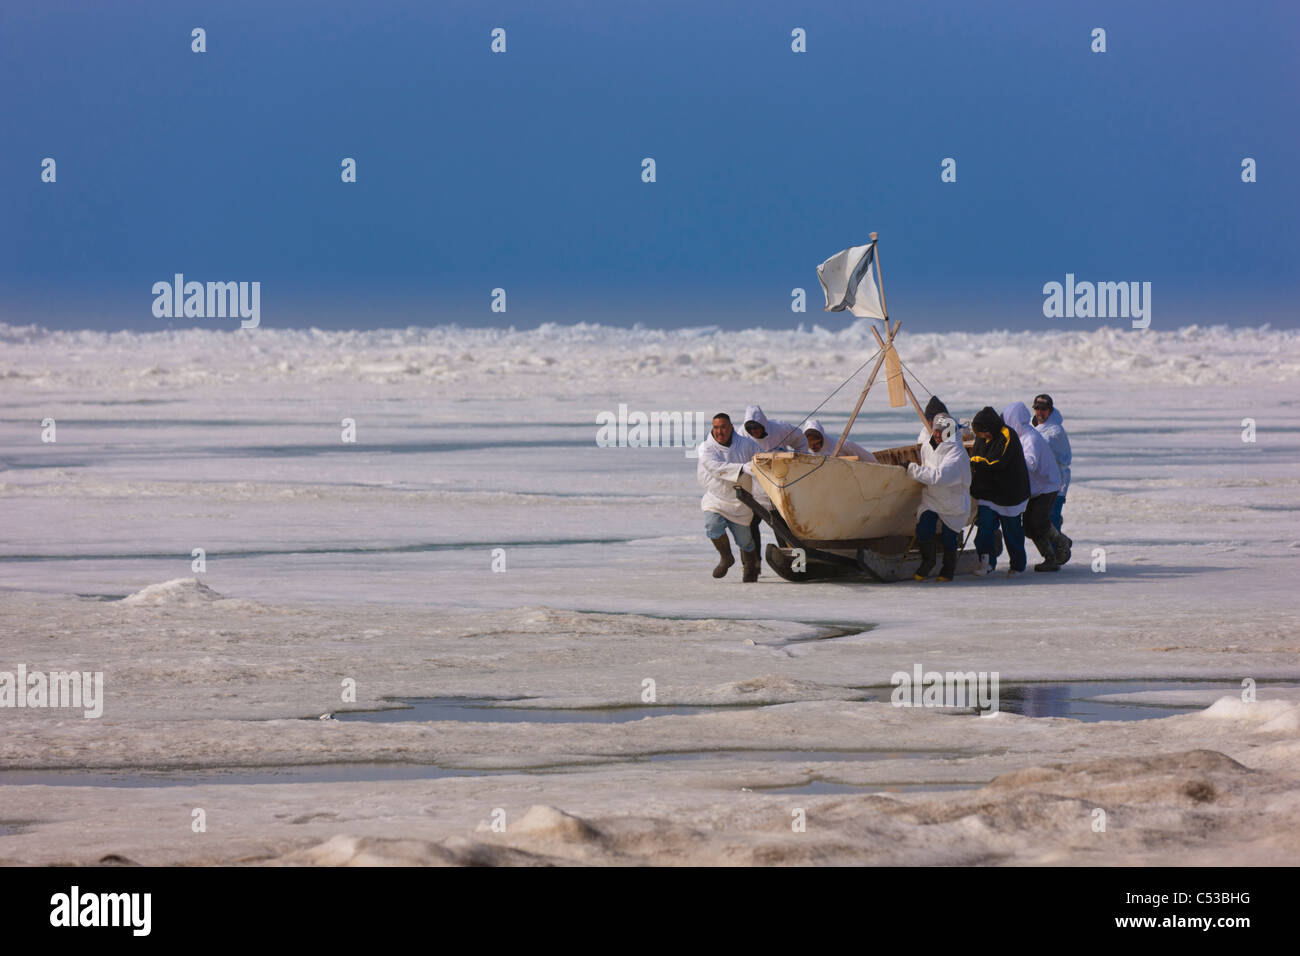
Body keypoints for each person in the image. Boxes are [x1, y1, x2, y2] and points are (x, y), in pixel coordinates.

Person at [1003, 402, 1072, 571]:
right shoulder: (1021, 436)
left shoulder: (1030, 438)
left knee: (1037, 522)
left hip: (1046, 486)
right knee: (1028, 526)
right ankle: (1053, 551)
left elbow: (1030, 463)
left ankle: (1058, 546)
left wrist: (1010, 465)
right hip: (1035, 488)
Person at [742, 405, 808, 574]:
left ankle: (796, 566)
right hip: (755, 490)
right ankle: (753, 565)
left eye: (757, 427)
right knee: (749, 526)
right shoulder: (741, 436)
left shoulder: (780, 428)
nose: (754, 432)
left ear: (764, 424)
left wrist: (798, 462)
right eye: (750, 429)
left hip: (780, 489)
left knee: (782, 528)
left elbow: (800, 440)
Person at [696, 413, 761, 582]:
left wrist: (757, 465)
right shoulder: (706, 448)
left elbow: (760, 461)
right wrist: (742, 469)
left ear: (731, 427)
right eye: (716, 427)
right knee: (712, 526)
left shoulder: (747, 444)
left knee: (745, 541)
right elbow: (715, 467)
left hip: (741, 502)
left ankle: (750, 569)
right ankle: (726, 557)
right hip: (716, 499)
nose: (720, 431)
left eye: (723, 427)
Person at [905, 413, 970, 582]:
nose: (938, 436)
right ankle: (929, 561)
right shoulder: (928, 445)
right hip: (932, 498)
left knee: (949, 538)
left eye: (942, 433)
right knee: (923, 529)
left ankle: (948, 568)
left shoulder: (957, 453)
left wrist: (912, 469)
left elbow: (939, 477)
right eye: (935, 432)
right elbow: (928, 465)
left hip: (952, 502)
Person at [968, 406, 1031, 577]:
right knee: (984, 529)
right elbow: (977, 457)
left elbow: (996, 462)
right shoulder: (981, 436)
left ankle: (1017, 565)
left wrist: (975, 461)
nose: (983, 436)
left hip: (1010, 492)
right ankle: (987, 562)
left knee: (1012, 532)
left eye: (985, 431)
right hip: (988, 492)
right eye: (981, 433)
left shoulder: (1007, 434)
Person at [1032, 393, 1072, 532]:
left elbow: (1041, 445)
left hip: (1057, 485)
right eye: (1037, 408)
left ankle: (1060, 549)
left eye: (1044, 409)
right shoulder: (1037, 428)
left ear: (1050, 410)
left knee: (1051, 523)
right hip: (1043, 486)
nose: (1040, 412)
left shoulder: (1055, 431)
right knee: (1041, 524)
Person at [803, 418, 877, 461]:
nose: (812, 448)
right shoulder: (804, 450)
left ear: (822, 440)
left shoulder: (841, 444)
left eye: (816, 444)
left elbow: (869, 458)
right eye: (810, 445)